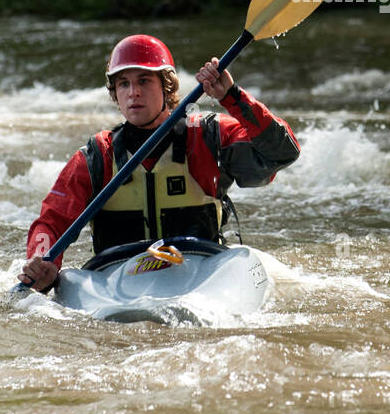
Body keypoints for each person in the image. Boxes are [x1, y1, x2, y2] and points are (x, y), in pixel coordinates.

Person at [18, 34, 299, 291]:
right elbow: (52, 222)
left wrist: (232, 97)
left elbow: (281, 152)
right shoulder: (98, 155)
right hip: (119, 282)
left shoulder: (207, 137)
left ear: (167, 87)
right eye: (123, 84)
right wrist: (42, 261)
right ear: (115, 92)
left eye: (144, 81)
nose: (133, 92)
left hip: (202, 276)